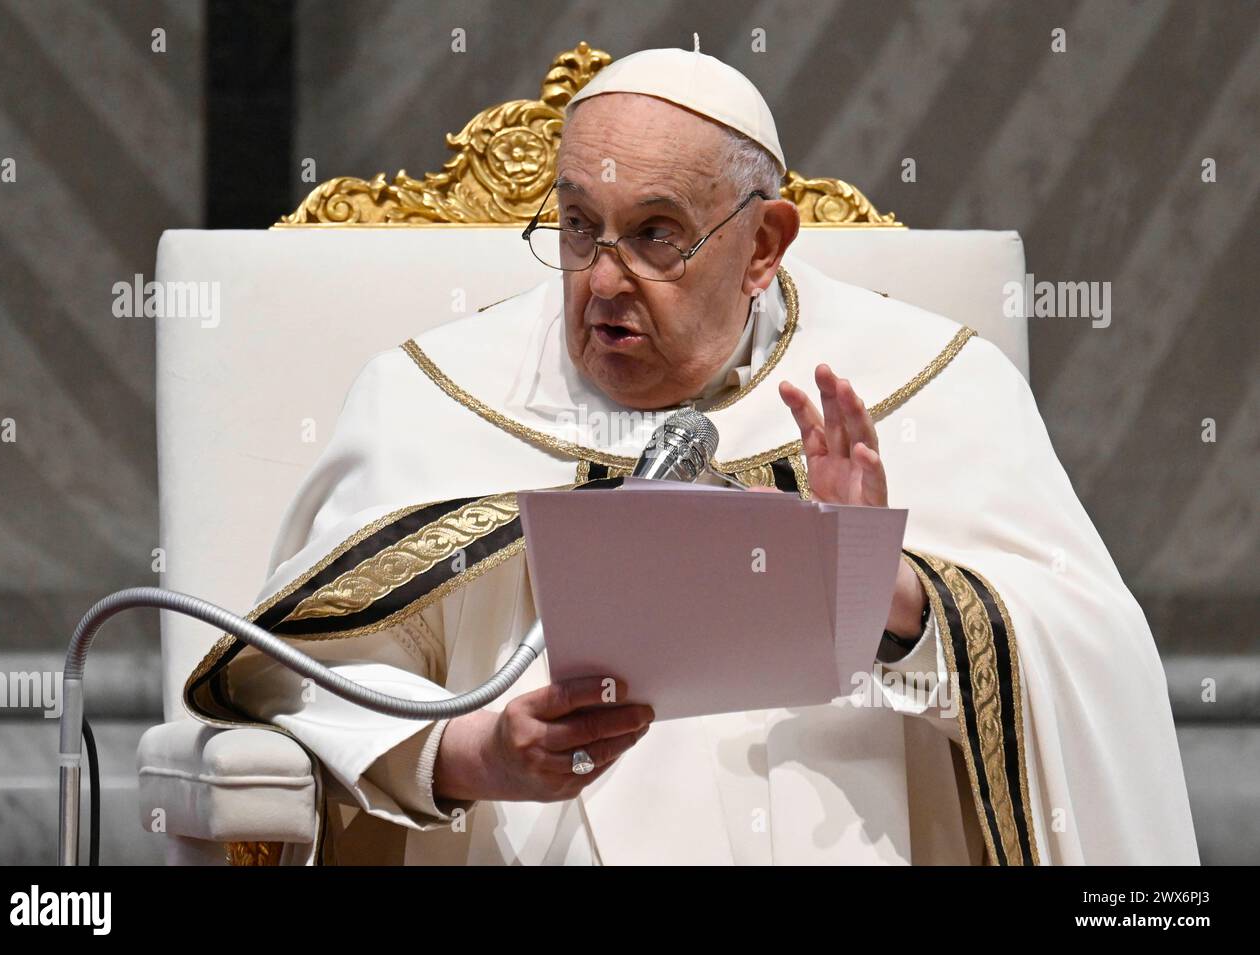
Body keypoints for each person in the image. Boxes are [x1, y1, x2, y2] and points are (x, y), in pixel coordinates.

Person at [184, 46, 1198, 865]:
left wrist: (896, 595)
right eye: (578, 228)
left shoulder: (928, 384)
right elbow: (307, 681)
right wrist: (470, 755)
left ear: (763, 245)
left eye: (655, 235)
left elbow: (1096, 661)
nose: (602, 280)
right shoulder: (429, 397)